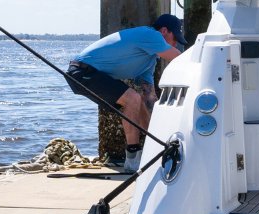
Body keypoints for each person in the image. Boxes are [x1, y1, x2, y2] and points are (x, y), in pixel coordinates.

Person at [65, 14, 186, 173]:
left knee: (141, 100)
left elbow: (150, 97)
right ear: (164, 31)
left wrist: (160, 131)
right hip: (82, 71)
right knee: (132, 99)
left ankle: (151, 150)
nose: (176, 43)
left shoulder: (149, 61)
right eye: (175, 37)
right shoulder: (151, 35)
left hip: (90, 74)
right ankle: (132, 159)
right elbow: (179, 59)